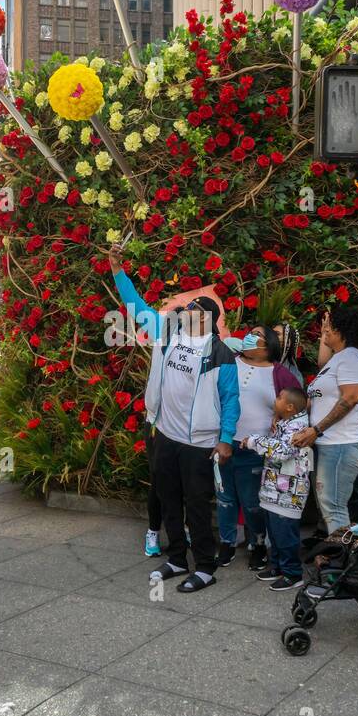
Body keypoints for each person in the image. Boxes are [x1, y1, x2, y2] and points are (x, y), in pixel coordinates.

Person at [109, 245, 239, 593]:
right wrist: (117, 269)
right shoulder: (167, 334)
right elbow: (135, 306)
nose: (185, 309)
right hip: (165, 434)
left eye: (193, 308)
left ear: (207, 318)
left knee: (197, 504)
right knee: (168, 498)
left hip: (199, 443)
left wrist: (226, 438)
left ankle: (206, 566)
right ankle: (178, 558)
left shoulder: (221, 353)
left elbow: (231, 400)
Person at [218, 325, 301, 570]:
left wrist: (281, 421)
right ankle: (226, 544)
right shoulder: (229, 362)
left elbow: (297, 408)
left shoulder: (281, 375)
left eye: (257, 334)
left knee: (252, 502)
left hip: (255, 448)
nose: (249, 337)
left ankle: (257, 544)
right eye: (250, 333)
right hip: (225, 442)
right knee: (225, 498)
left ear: (269, 345)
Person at [291, 306, 358, 535]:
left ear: (341, 330)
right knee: (329, 505)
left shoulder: (351, 357)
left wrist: (316, 430)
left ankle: (341, 561)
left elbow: (351, 397)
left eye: (329, 328)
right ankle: (338, 557)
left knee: (333, 507)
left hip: (342, 443)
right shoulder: (336, 360)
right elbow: (321, 360)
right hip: (332, 444)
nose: (324, 332)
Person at [245, 385, 314, 590]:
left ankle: (293, 573)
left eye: (279, 397)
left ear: (290, 407)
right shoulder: (286, 422)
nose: (275, 399)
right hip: (275, 489)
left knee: (285, 533)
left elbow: (284, 451)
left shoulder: (298, 427)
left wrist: (253, 441)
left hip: (289, 491)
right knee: (274, 532)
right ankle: (277, 565)